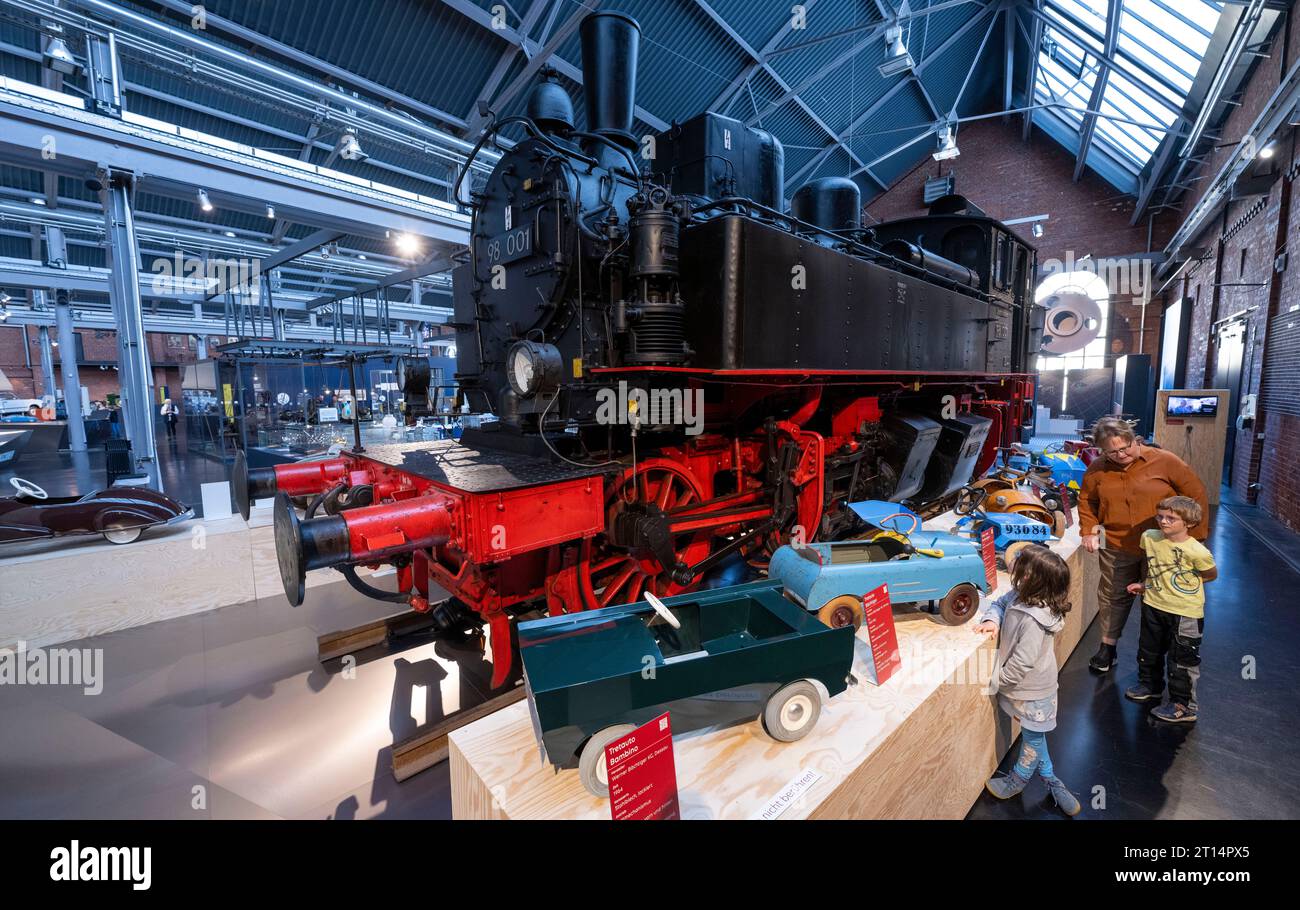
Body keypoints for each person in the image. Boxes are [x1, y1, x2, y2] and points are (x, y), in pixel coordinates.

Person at [1077, 416, 1208, 673]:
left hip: (1164, 547)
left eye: (1124, 447)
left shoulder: (1165, 460)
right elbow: (1087, 501)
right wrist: (1089, 531)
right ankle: (1108, 647)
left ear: (1133, 439)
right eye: (1111, 452)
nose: (1120, 455)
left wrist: (1195, 539)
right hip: (1117, 543)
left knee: (1158, 601)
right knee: (1112, 596)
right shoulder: (1097, 468)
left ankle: (1153, 661)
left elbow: (1197, 495)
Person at [973, 546, 1081, 815]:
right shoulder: (1024, 595)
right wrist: (993, 621)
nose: (1014, 569)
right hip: (1022, 688)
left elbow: (1023, 661)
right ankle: (1051, 780)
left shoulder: (1035, 618)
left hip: (1032, 690)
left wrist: (998, 682)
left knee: (1033, 739)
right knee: (1035, 734)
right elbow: (999, 603)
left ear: (1033, 578)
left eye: (1021, 568)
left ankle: (1018, 781)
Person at [1123, 496, 1217, 723]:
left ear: (1188, 523)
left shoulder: (1197, 551)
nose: (1164, 521)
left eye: (1171, 518)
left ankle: (1183, 705)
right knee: (1149, 650)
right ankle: (1150, 684)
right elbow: (1157, 569)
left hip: (1185, 612)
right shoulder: (1150, 538)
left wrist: (1183, 584)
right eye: (1161, 516)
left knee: (1181, 659)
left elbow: (1210, 574)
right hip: (1154, 604)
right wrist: (1145, 586)